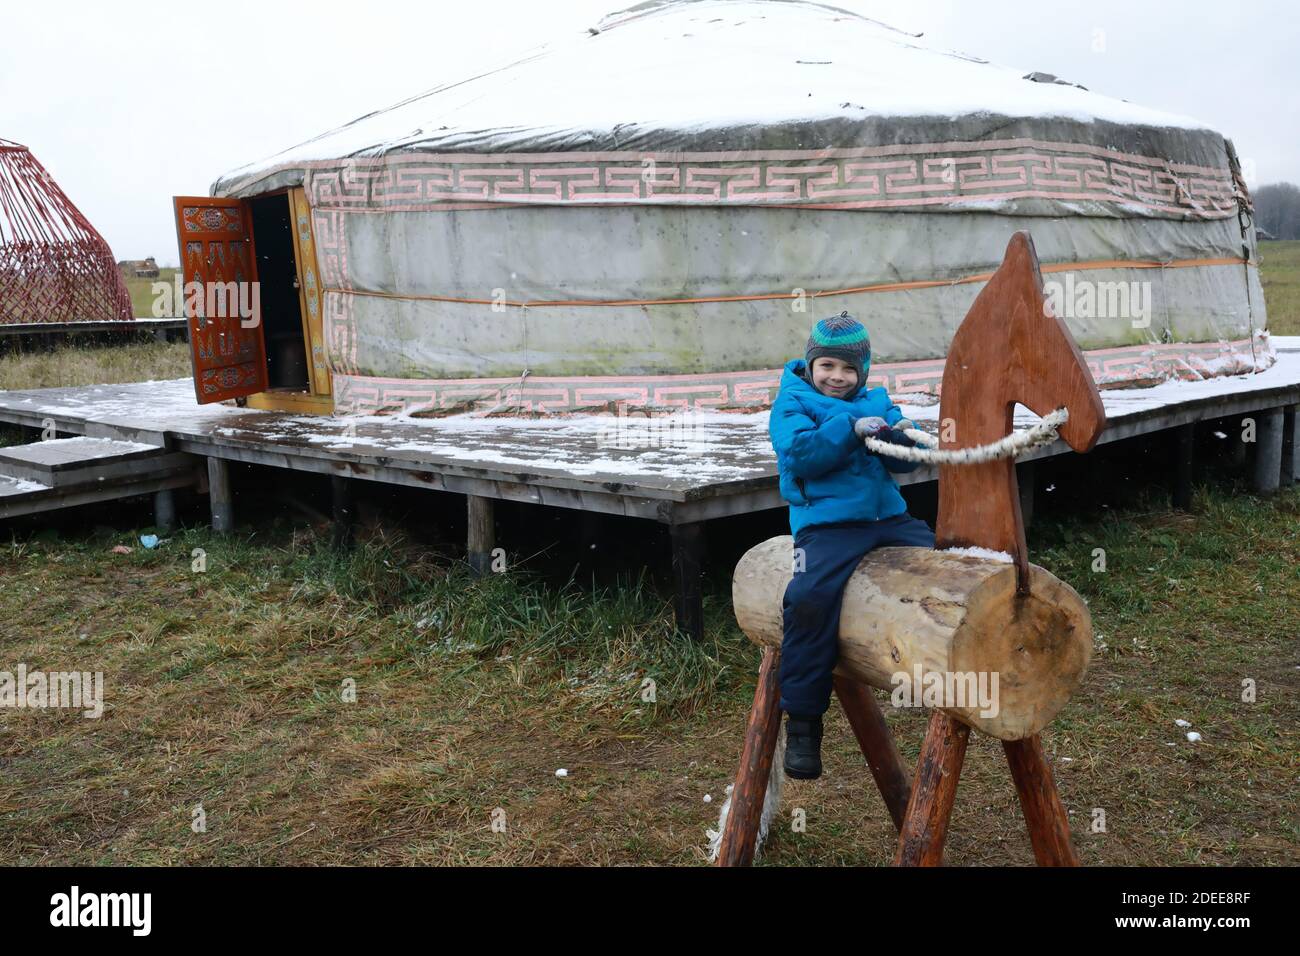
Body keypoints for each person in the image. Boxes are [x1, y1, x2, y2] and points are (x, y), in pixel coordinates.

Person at [768, 310, 936, 779]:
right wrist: (849, 429)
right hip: (826, 526)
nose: (838, 378)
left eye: (848, 369)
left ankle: (949, 662)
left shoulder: (877, 401)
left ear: (862, 371)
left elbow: (907, 464)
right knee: (808, 599)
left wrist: (902, 436)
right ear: (811, 363)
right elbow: (804, 455)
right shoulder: (792, 404)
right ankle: (803, 720)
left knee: (945, 565)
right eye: (828, 366)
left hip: (887, 518)